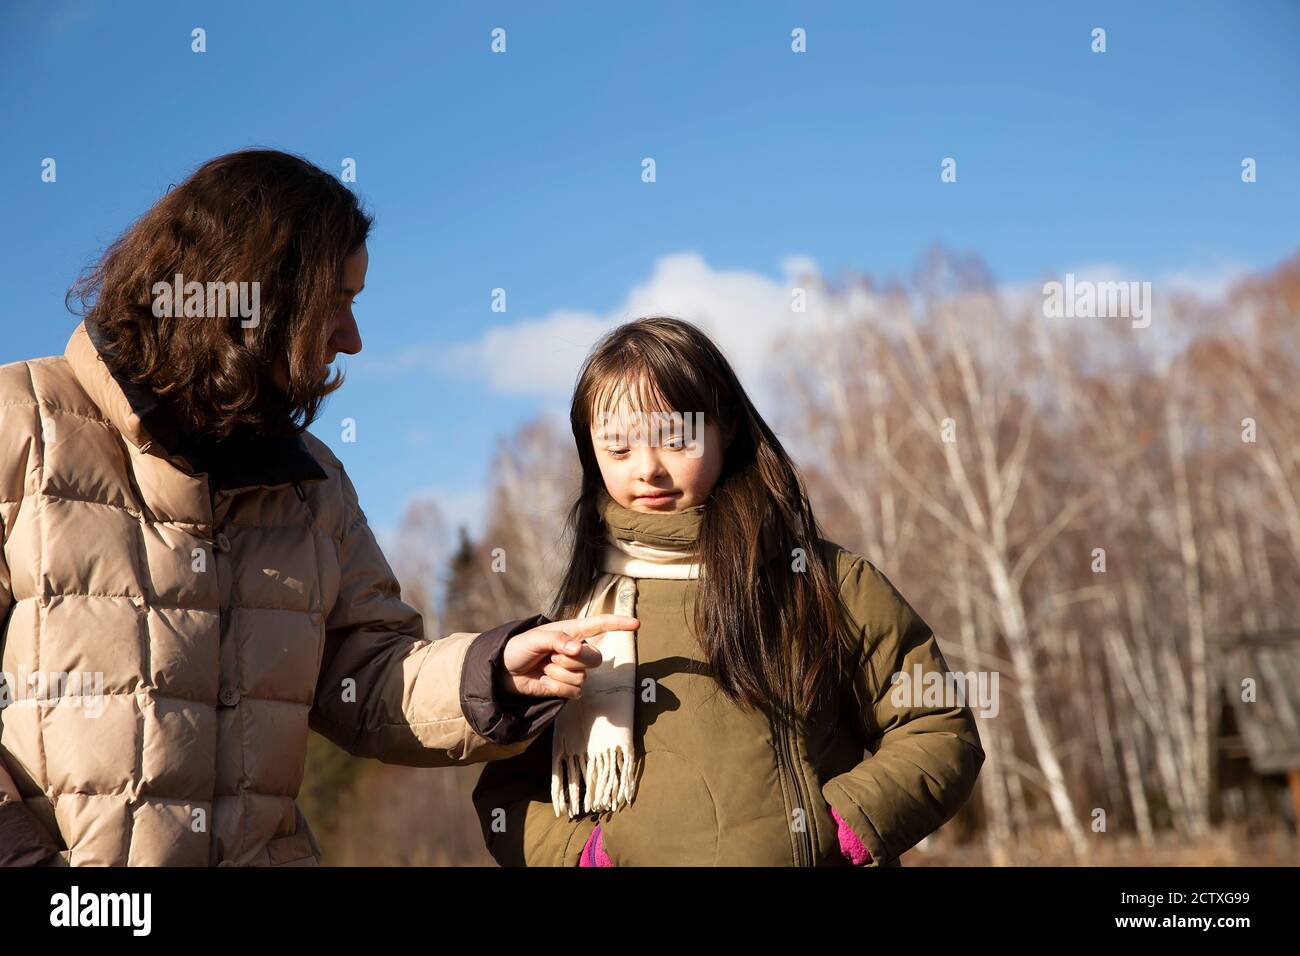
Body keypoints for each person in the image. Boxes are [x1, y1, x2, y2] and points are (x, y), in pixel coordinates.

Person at [0, 149, 633, 867]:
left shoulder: (314, 482)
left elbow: (367, 676)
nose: (351, 340)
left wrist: (492, 673)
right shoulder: (19, 425)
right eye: (334, 303)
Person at [473, 316, 984, 866]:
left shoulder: (825, 582)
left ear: (727, 428)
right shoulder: (579, 622)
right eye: (618, 448)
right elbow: (506, 795)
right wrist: (587, 857)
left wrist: (836, 835)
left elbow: (936, 727)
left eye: (674, 439)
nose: (648, 469)